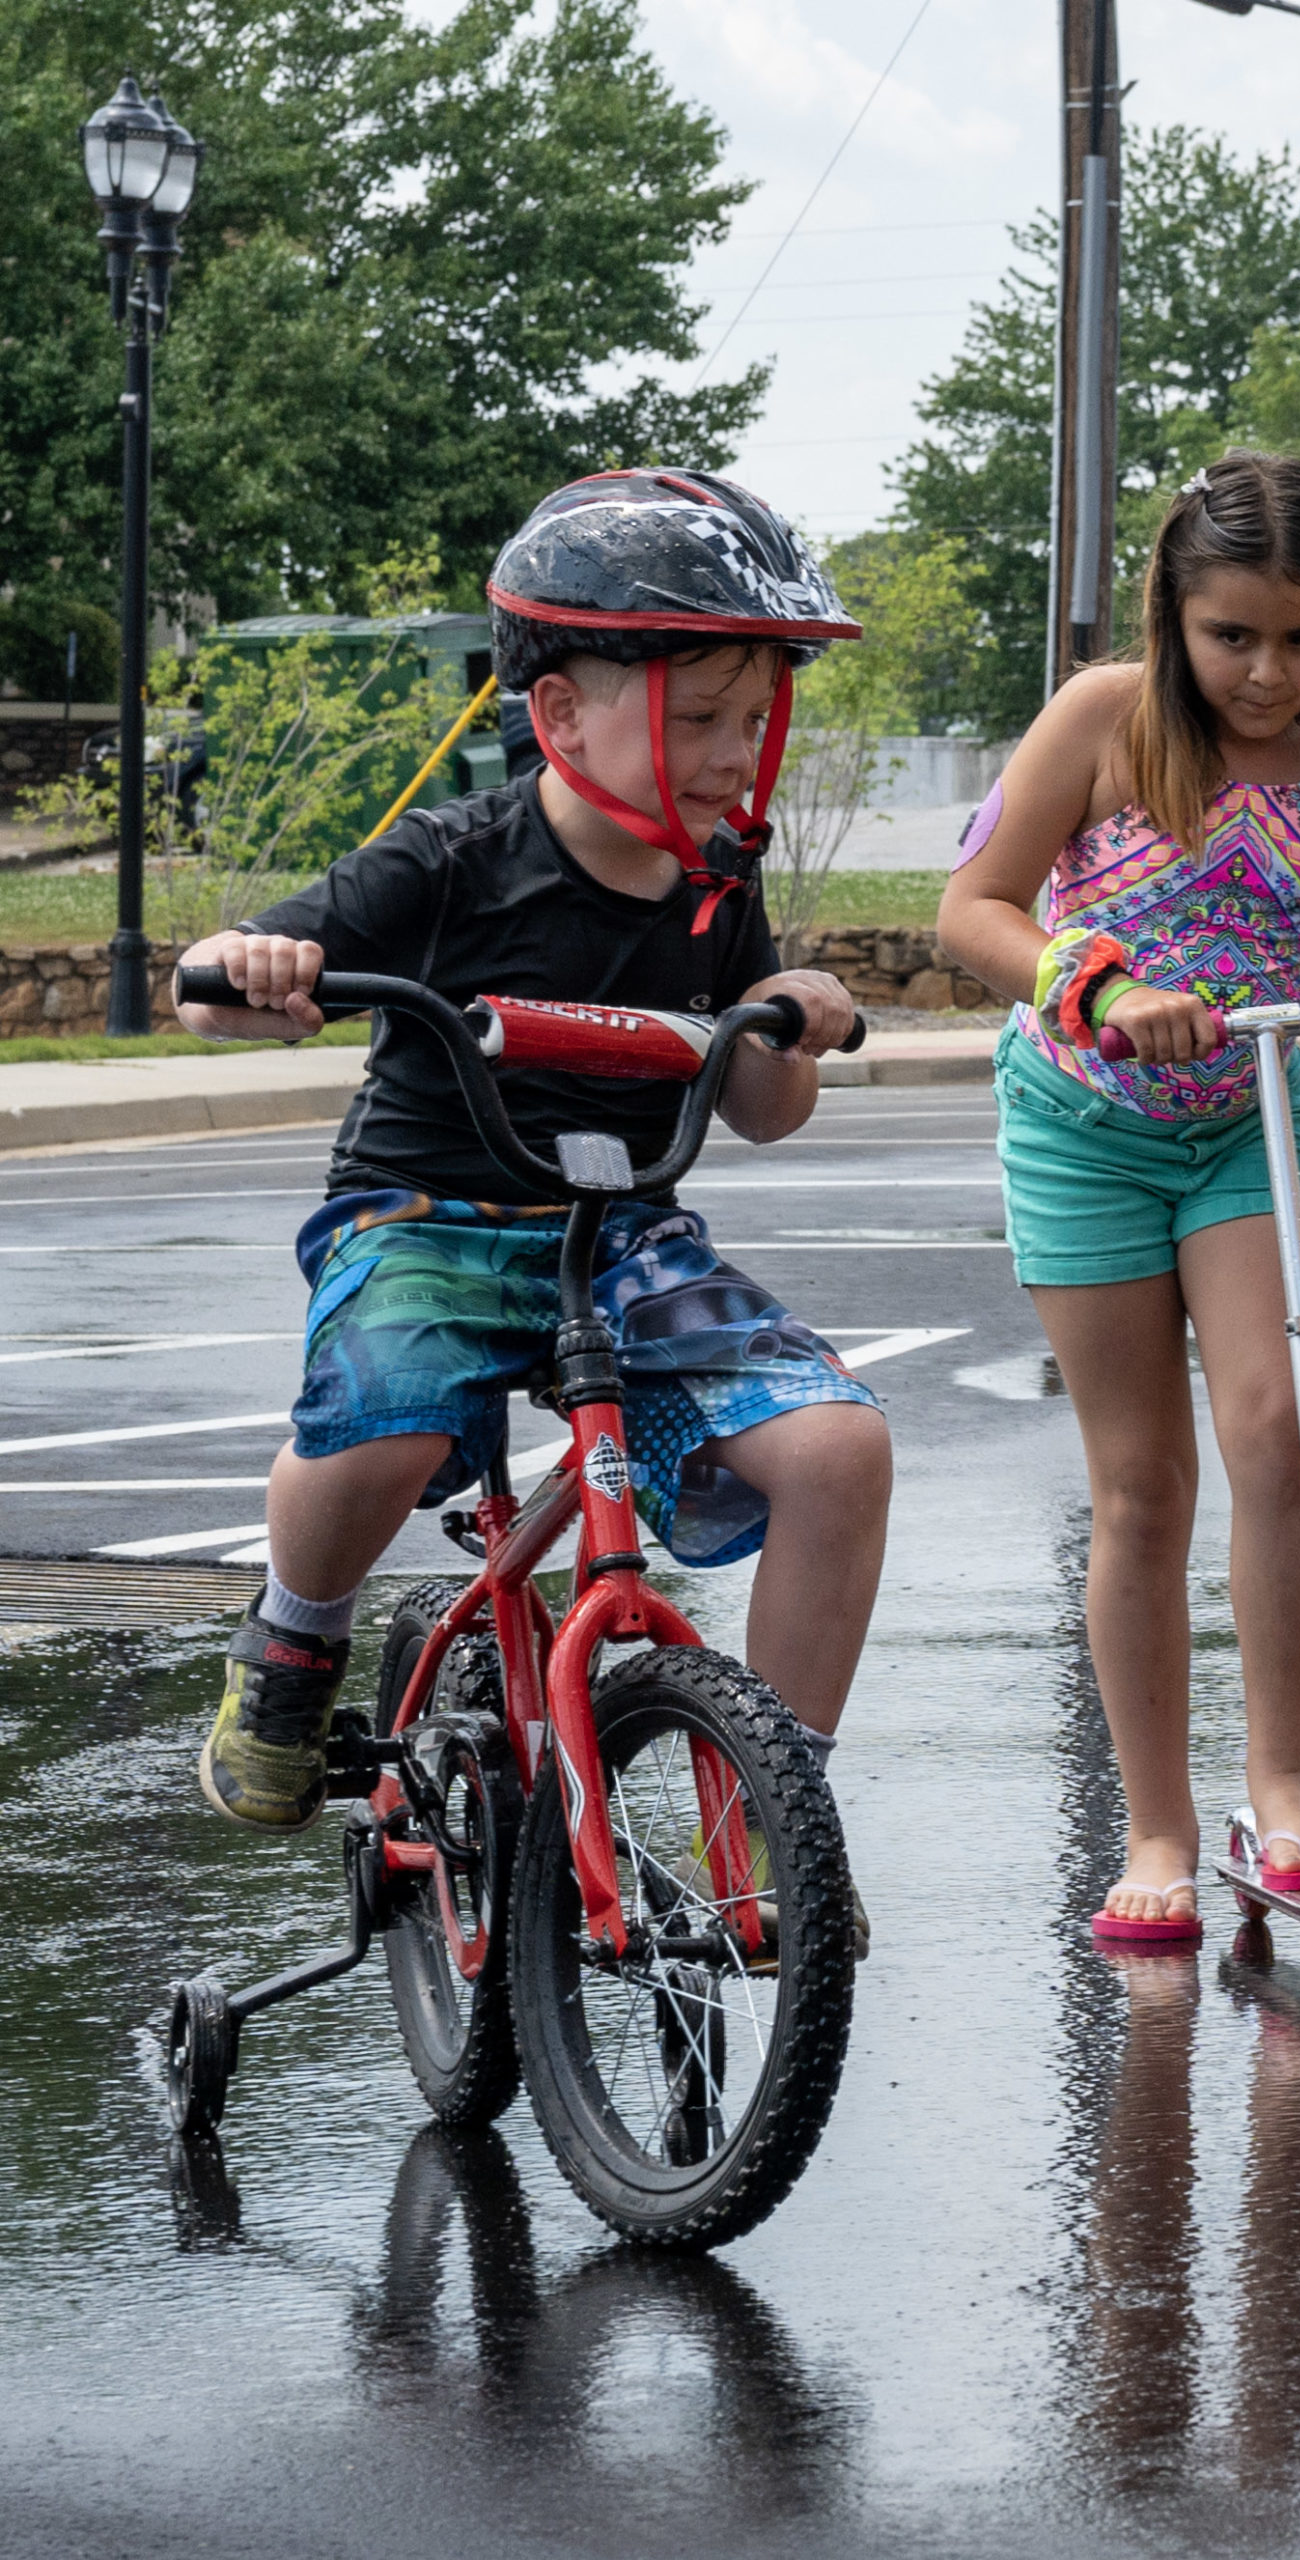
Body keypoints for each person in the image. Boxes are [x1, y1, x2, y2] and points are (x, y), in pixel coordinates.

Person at [176, 470, 893, 1913]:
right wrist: (250, 971)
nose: (731, 753)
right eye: (698, 719)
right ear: (562, 717)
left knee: (838, 1453)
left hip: (620, 1230)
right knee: (380, 1427)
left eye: (751, 721)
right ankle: (296, 1638)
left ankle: (776, 1814)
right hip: (427, 1213)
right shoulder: (448, 861)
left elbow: (757, 1112)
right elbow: (215, 991)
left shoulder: (718, 891)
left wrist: (785, 1016)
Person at [936, 450, 1300, 1941]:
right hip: (1079, 1123)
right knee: (1141, 1487)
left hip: (1246, 1124)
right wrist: (1097, 979)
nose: (1266, 670)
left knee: (1271, 1433)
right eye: (1232, 635)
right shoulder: (1105, 720)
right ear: (1174, 611)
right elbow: (971, 908)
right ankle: (1160, 1829)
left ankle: (1284, 1789)